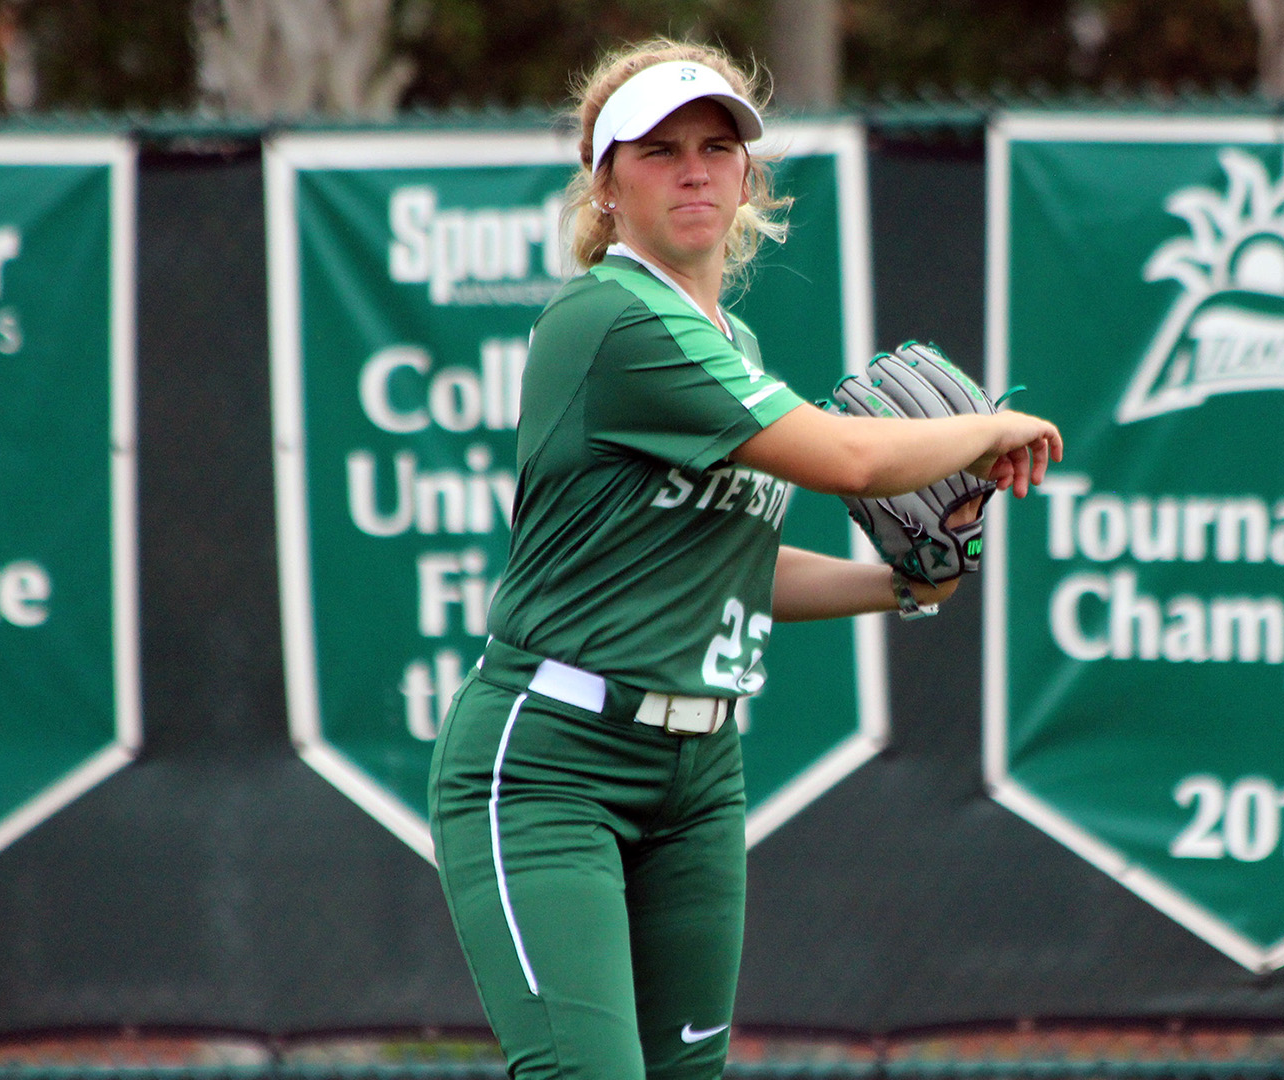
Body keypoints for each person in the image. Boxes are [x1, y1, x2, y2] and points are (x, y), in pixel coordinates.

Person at [426, 37, 1063, 1080]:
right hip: (551, 767)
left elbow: (739, 575)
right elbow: (846, 456)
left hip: (698, 774)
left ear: (747, 177)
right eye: (660, 149)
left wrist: (909, 583)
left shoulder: (735, 349)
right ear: (605, 183)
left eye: (718, 148)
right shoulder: (609, 320)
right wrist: (985, 432)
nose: (693, 170)